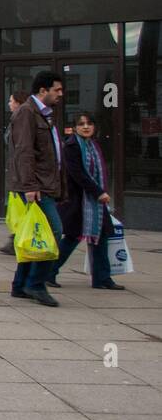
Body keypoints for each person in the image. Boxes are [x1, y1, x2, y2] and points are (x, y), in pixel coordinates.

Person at [50, 112, 124, 291]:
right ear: (75, 127)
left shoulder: (92, 146)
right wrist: (98, 192)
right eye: (81, 124)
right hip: (78, 201)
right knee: (72, 237)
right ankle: (47, 273)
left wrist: (99, 193)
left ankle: (102, 278)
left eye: (89, 123)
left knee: (102, 236)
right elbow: (78, 175)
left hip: (94, 204)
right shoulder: (72, 146)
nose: (85, 127)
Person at [9, 71, 64, 307]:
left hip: (44, 184)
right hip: (36, 186)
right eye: (57, 90)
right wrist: (30, 186)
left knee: (36, 234)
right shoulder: (27, 113)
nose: (60, 94)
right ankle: (36, 283)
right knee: (53, 232)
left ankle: (21, 284)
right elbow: (24, 151)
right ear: (43, 90)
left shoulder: (42, 114)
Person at [0, 92, 25, 255]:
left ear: (18, 103)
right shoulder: (16, 119)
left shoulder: (22, 120)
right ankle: (15, 238)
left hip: (21, 173)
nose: (9, 104)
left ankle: (18, 239)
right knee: (18, 209)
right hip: (17, 171)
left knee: (23, 208)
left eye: (11, 101)